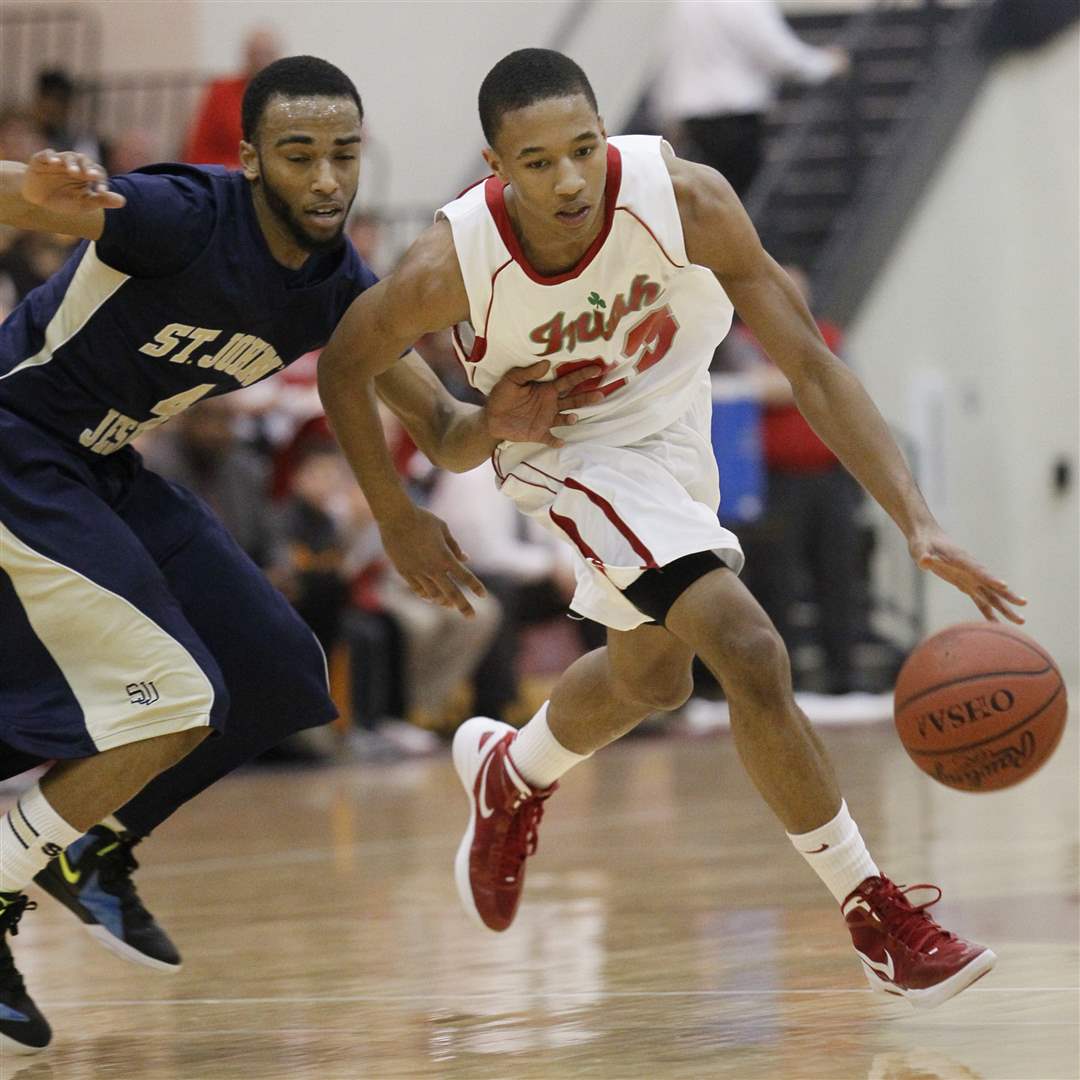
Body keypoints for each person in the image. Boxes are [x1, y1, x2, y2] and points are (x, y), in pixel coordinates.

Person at [317, 48, 1026, 1011]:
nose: (568, 180)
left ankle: (511, 771)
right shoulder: (452, 263)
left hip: (673, 424)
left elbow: (810, 368)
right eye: (537, 163)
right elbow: (346, 361)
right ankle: (875, 914)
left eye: (584, 147)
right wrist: (398, 513)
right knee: (750, 647)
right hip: (561, 447)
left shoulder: (684, 200)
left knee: (655, 676)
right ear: (495, 166)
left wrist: (918, 518)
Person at [0, 55, 600, 1055]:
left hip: (103, 464)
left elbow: (445, 433)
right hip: (17, 445)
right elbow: (32, 198)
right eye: (298, 155)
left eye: (343, 155)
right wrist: (29, 186)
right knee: (172, 696)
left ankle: (86, 847)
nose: (326, 179)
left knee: (278, 674)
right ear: (248, 160)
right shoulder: (181, 214)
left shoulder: (339, 288)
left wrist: (504, 418)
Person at [657, 0, 848, 196]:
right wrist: (825, 64)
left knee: (714, 198)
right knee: (743, 198)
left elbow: (671, 60)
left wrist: (668, 114)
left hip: (695, 117)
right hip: (735, 114)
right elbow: (776, 52)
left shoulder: (686, 5)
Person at [182, 28, 282, 167]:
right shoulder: (221, 92)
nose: (261, 61)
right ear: (246, 56)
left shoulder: (289, 97)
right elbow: (199, 148)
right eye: (256, 54)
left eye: (267, 54)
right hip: (228, 176)